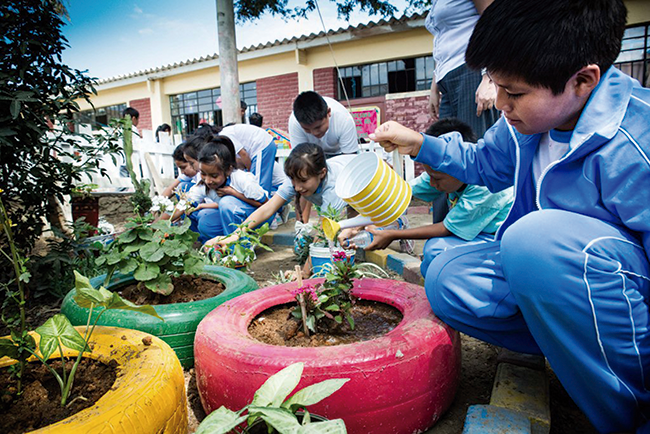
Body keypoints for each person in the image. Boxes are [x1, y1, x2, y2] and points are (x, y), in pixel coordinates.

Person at [370, 0, 650, 431]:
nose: (500, 103)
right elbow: (484, 162)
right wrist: (418, 143)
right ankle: (569, 346)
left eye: (514, 92)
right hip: (554, 276)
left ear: (583, 80)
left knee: (533, 240)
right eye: (495, 85)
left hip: (621, 295)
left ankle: (633, 409)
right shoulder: (527, 124)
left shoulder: (635, 141)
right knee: (443, 270)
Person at [339, 118, 513, 274]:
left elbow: (447, 228)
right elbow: (398, 196)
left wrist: (392, 234)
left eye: (436, 178)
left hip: (498, 240)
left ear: (460, 166)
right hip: (473, 234)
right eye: (429, 176)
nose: (431, 184)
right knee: (433, 256)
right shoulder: (438, 173)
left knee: (436, 252)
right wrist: (356, 226)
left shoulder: (485, 188)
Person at [209, 143, 356, 276]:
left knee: (345, 231)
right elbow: (269, 207)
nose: (297, 187)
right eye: (293, 181)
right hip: (348, 179)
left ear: (322, 173)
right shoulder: (299, 175)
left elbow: (324, 232)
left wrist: (304, 272)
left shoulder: (333, 188)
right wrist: (236, 234)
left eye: (303, 181)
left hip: (363, 185)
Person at [170, 136, 269, 243]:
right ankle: (219, 244)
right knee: (205, 222)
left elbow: (265, 205)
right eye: (203, 174)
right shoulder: (204, 185)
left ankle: (240, 247)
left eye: (214, 175)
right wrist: (162, 223)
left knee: (226, 202)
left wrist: (234, 193)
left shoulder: (243, 179)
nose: (208, 180)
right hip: (235, 218)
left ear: (227, 170)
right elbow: (183, 204)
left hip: (260, 217)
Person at [426, 0, 499, 139]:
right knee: (448, 149)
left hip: (471, 71)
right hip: (447, 80)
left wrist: (489, 78)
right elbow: (441, 40)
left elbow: (493, 19)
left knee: (475, 145)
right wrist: (434, 88)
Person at [288, 91, 359, 221]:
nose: (314, 133)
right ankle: (301, 227)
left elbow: (351, 164)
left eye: (318, 127)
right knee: (304, 179)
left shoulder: (344, 120)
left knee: (350, 191)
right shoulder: (295, 122)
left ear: (328, 112)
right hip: (312, 155)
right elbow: (300, 161)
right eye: (307, 130)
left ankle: (352, 227)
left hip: (342, 155)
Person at [216, 123, 277, 196]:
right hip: (264, 144)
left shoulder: (224, 135)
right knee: (261, 186)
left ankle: (267, 206)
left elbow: (243, 154)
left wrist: (249, 173)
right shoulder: (226, 133)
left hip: (260, 145)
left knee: (258, 189)